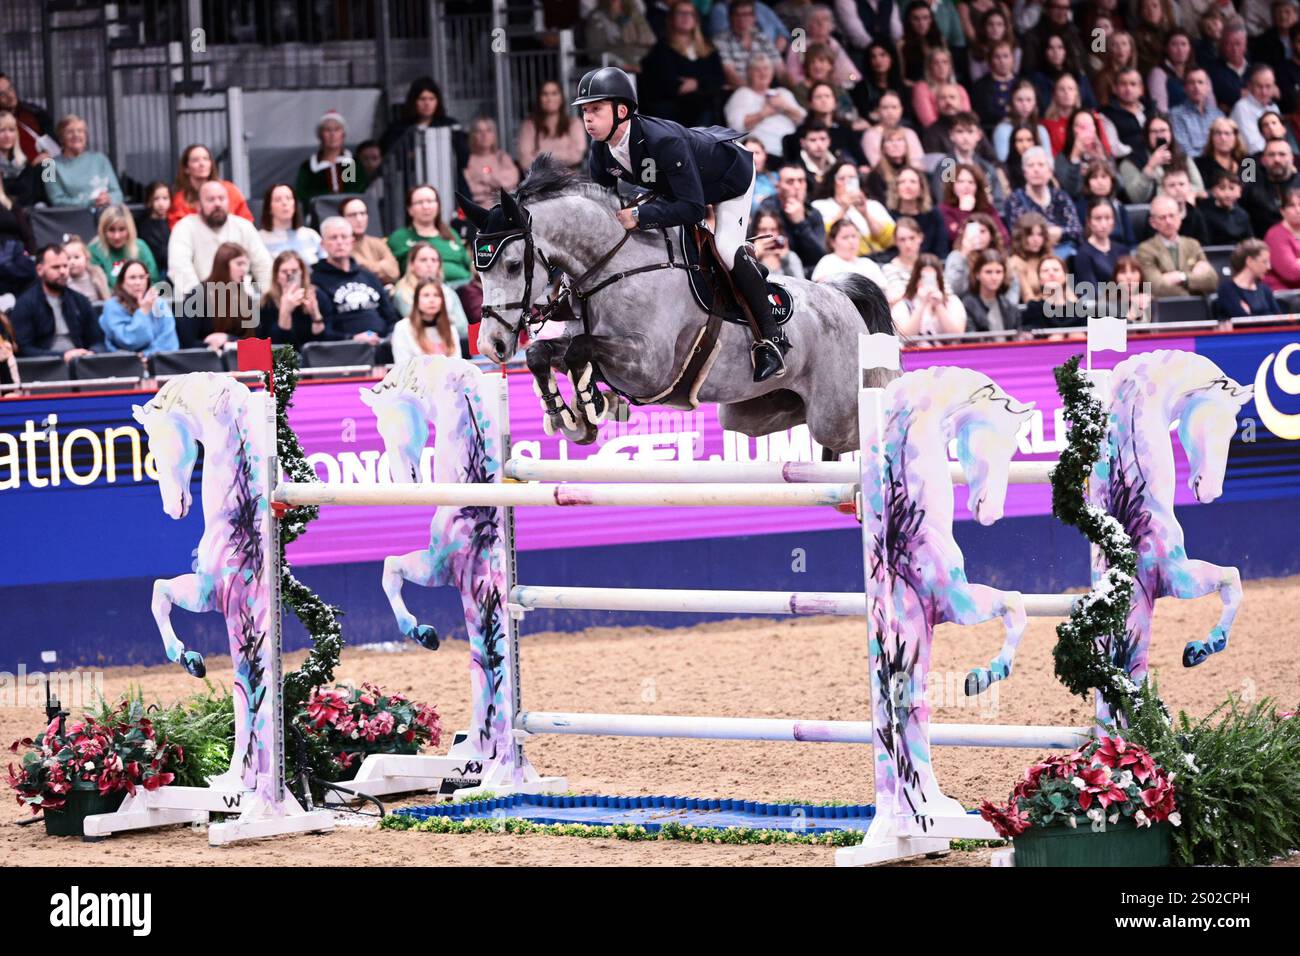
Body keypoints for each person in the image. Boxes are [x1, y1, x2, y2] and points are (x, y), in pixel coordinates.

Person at [573, 65, 790, 380]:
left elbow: (693, 210)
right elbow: (607, 209)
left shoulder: (663, 141)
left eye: (596, 109)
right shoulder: (601, 152)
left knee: (726, 248)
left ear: (621, 111)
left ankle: (772, 339)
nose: (588, 119)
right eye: (584, 112)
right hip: (676, 187)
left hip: (727, 179)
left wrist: (640, 216)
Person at [168, 180, 273, 300]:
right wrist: (202, 299)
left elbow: (264, 265)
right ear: (198, 205)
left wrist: (266, 298)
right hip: (202, 303)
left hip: (244, 299)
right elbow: (179, 267)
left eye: (221, 198)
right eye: (210, 199)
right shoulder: (184, 227)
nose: (217, 204)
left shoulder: (244, 226)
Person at [639, 1, 728, 126]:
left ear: (696, 19)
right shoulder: (661, 50)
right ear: (671, 18)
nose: (686, 17)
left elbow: (719, 79)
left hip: (705, 106)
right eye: (681, 13)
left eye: (690, 14)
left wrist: (696, 83)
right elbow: (664, 83)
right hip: (673, 111)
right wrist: (698, 83)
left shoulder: (709, 50)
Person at [8, 244, 103, 359]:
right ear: (40, 270)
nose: (63, 271)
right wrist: (62, 356)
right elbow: (23, 349)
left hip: (81, 363)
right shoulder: (25, 304)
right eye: (56, 267)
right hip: (46, 369)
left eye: (65, 266)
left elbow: (98, 340)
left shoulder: (80, 300)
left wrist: (92, 353)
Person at [313, 216, 399, 344]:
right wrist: (351, 339)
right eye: (333, 237)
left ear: (352, 242)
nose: (340, 242)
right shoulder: (316, 280)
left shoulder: (369, 276)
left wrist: (391, 336)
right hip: (345, 349)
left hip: (383, 343)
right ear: (323, 244)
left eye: (344, 237)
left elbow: (391, 317)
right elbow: (322, 331)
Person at [176, 242, 257, 350]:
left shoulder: (244, 297)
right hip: (203, 361)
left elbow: (251, 339)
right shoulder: (198, 295)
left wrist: (228, 338)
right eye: (239, 264)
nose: (244, 269)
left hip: (237, 360)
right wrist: (211, 346)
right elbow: (186, 342)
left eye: (245, 264)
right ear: (223, 265)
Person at [725, 54, 807, 159]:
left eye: (766, 68)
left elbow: (804, 119)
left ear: (772, 72)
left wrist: (785, 106)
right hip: (760, 153)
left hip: (791, 150)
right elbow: (735, 127)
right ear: (749, 73)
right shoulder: (742, 94)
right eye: (757, 70)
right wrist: (764, 113)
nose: (763, 73)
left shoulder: (782, 93)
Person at [387, 184, 472, 283]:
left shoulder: (450, 233)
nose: (426, 206)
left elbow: (469, 265)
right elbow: (390, 272)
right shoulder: (399, 238)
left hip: (466, 287)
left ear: (438, 205)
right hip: (425, 292)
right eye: (419, 202)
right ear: (410, 209)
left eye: (430, 201)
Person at [1135, 196, 1219, 296]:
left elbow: (1212, 281)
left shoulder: (1193, 245)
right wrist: (1193, 291)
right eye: (1162, 217)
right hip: (1165, 308)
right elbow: (1155, 287)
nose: (1168, 221)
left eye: (1172, 216)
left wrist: (1182, 277)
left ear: (1179, 217)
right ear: (1153, 223)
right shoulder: (1145, 249)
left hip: (1198, 308)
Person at [1006, 146, 1082, 257]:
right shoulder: (1015, 199)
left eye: (1041, 165)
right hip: (1030, 257)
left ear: (1050, 172)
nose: (1036, 170)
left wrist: (1060, 232)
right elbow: (1018, 234)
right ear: (1025, 172)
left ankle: (1069, 275)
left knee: (1071, 269)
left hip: (1064, 256)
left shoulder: (1061, 196)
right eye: (1030, 165)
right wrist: (1048, 234)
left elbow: (1077, 231)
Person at [380, 77, 468, 169]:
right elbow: (390, 157)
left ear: (438, 101)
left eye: (432, 99)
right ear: (413, 101)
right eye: (422, 99)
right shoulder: (398, 128)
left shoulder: (449, 125)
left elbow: (463, 157)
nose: (427, 104)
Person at [758, 163, 827, 277]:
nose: (797, 186)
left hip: (809, 274)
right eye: (790, 182)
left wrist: (800, 223)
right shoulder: (767, 210)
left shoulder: (813, 213)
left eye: (801, 181)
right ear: (778, 186)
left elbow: (820, 257)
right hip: (777, 272)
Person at [257, 250, 335, 350]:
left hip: (314, 358)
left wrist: (315, 316)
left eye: (294, 271)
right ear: (276, 276)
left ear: (302, 274)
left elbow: (326, 341)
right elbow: (274, 347)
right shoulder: (267, 302)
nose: (289, 276)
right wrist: (285, 313)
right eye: (284, 272)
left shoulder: (317, 296)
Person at [391, 241, 469, 339]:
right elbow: (421, 326)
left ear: (439, 265)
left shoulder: (448, 292)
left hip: (454, 344)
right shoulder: (403, 293)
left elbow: (463, 329)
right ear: (411, 265)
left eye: (434, 260)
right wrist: (449, 322)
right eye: (423, 260)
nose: (429, 264)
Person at [811, 163, 895, 255]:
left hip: (879, 258)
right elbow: (823, 238)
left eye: (852, 178)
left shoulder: (873, 205)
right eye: (841, 179)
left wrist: (865, 214)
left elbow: (892, 239)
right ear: (833, 182)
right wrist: (843, 210)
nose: (847, 182)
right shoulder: (820, 206)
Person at [98, 259, 178, 355]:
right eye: (132, 278)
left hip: (158, 362)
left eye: (142, 277)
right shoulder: (112, 306)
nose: (138, 282)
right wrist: (143, 311)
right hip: (124, 363)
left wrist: (147, 355)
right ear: (122, 282)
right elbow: (128, 341)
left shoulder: (159, 303)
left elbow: (169, 341)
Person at [44, 115, 123, 210]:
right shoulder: (48, 165)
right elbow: (56, 201)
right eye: (70, 132)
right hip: (73, 220)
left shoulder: (101, 159)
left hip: (106, 217)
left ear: (85, 136)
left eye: (80, 131)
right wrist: (91, 202)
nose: (76, 135)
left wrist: (109, 199)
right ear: (61, 138)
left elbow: (118, 194)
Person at [1122, 115, 1205, 205]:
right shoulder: (1131, 162)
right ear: (1147, 135)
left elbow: (1199, 187)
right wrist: (1150, 167)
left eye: (1163, 130)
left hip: (1184, 208)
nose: (1159, 135)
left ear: (1171, 133)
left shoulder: (1182, 157)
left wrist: (1181, 192)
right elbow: (1137, 199)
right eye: (1154, 131)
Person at [167, 144, 255, 229]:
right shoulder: (180, 200)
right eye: (195, 160)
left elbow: (247, 223)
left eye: (206, 159)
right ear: (186, 168)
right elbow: (178, 231)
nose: (202, 164)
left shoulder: (229, 190)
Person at [932, 113, 1010, 207]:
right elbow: (943, 200)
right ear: (951, 135)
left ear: (979, 135)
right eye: (960, 131)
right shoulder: (947, 165)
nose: (965, 137)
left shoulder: (986, 167)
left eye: (970, 131)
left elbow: (998, 202)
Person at [295, 109, 366, 208]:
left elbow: (354, 191)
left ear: (343, 134)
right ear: (320, 135)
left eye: (337, 129)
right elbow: (304, 195)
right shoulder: (310, 167)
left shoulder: (349, 163)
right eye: (327, 130)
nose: (332, 134)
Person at [714, 0, 786, 91]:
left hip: (766, 91)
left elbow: (781, 71)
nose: (742, 20)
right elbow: (730, 74)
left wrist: (796, 87)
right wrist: (753, 93)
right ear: (730, 18)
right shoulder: (721, 41)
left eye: (746, 15)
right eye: (737, 15)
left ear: (754, 18)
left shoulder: (763, 39)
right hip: (738, 93)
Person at [516, 80, 589, 171]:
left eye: (554, 93)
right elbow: (525, 161)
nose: (549, 98)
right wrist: (563, 155)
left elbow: (576, 156)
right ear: (539, 98)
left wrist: (539, 155)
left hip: (569, 180)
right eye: (545, 94)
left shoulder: (574, 124)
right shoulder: (528, 126)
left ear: (561, 98)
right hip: (539, 181)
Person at [891, 252, 968, 337]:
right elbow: (905, 337)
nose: (928, 283)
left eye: (931, 278)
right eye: (924, 278)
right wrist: (922, 305)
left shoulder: (953, 302)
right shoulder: (902, 306)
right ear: (916, 280)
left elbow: (957, 336)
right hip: (917, 350)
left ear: (939, 280)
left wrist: (939, 306)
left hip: (946, 350)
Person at [784, 5, 859, 88]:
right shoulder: (799, 42)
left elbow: (853, 75)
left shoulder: (833, 43)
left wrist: (847, 78)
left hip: (833, 87)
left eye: (825, 19)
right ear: (807, 24)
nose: (821, 24)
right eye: (815, 20)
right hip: (806, 89)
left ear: (831, 25)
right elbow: (791, 76)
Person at [938, 161, 1009, 246]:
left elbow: (1004, 237)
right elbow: (954, 238)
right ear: (952, 185)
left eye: (971, 182)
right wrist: (964, 212)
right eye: (960, 181)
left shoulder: (987, 208)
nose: (966, 186)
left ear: (977, 187)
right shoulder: (944, 210)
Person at [392, 279, 462, 361]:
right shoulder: (402, 327)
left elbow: (457, 362)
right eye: (426, 295)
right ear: (416, 300)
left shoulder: (450, 328)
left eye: (436, 295)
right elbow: (402, 364)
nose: (432, 300)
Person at [943, 212, 1010, 299]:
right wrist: (963, 254)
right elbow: (954, 290)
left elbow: (1010, 284)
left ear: (991, 235)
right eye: (974, 232)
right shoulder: (956, 257)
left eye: (982, 231)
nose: (978, 236)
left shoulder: (1001, 256)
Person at [1242, 136, 1300, 235]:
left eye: (1282, 154)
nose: (1277, 159)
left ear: (1292, 158)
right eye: (1271, 155)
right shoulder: (1251, 188)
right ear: (1263, 160)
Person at [887, 165, 949, 256]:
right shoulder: (888, 216)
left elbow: (942, 250)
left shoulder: (934, 215)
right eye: (902, 182)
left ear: (921, 189)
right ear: (896, 189)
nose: (907, 186)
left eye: (913, 182)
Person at [90, 204, 160, 285]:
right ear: (103, 231)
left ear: (129, 229)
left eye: (122, 229)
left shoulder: (141, 247)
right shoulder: (94, 251)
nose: (117, 236)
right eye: (111, 230)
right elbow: (99, 287)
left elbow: (153, 280)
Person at [1053, 108, 1116, 197]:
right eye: (1081, 127)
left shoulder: (1104, 154)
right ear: (1072, 130)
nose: (1085, 131)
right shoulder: (1062, 158)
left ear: (1095, 129)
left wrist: (1102, 159)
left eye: (1089, 126)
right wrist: (1075, 157)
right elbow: (1072, 190)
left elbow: (1119, 186)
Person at [463, 116, 521, 210]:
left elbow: (511, 181)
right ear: (472, 135)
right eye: (479, 131)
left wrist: (485, 178)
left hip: (504, 207)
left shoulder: (502, 157)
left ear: (494, 135)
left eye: (489, 130)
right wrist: (496, 185)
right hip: (478, 208)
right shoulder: (468, 160)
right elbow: (471, 189)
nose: (484, 135)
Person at [810, 218, 890, 285]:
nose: (851, 241)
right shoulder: (827, 261)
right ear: (832, 242)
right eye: (845, 237)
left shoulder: (867, 263)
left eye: (854, 236)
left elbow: (884, 290)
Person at [961, 248, 1022, 337]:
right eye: (988, 272)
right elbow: (972, 341)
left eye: (998, 272)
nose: (994, 277)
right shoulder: (968, 305)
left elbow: (1018, 337)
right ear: (977, 274)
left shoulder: (1010, 307)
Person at [1215, 237, 1282, 317]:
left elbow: (1280, 322)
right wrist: (1266, 316)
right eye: (1264, 262)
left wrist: (1252, 314)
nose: (1269, 267)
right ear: (1249, 261)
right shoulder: (1227, 290)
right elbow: (1243, 323)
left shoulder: (1265, 290)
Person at [584, 0, 657, 72]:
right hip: (613, 70)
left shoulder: (633, 12)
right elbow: (595, 52)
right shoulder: (596, 17)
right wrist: (620, 64)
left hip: (641, 64)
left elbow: (650, 41)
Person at [258, 183, 322, 265]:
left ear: (295, 204)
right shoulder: (260, 239)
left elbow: (326, 263)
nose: (284, 203)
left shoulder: (310, 235)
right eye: (278, 200)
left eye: (289, 198)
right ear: (269, 208)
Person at [341, 195, 399, 285]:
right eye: (352, 215)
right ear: (342, 218)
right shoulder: (340, 246)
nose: (359, 219)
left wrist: (363, 263)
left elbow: (394, 273)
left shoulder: (377, 243)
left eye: (363, 213)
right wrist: (382, 265)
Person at [1169, 68, 1225, 159]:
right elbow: (1184, 151)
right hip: (1194, 166)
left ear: (1208, 87)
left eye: (1200, 82)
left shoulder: (1218, 115)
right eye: (1191, 83)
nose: (1196, 87)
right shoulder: (1176, 115)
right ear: (1185, 88)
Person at [0, 73, 54, 167]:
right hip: (21, 173)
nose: (10, 96)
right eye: (2, 94)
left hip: (49, 164)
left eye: (10, 89)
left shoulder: (34, 112)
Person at [860, 91, 924, 168]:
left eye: (894, 107)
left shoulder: (910, 133)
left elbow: (919, 163)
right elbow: (876, 165)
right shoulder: (870, 135)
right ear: (877, 110)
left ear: (901, 110)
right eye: (885, 107)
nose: (890, 112)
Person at [992, 82, 1053, 161]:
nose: (1025, 104)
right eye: (1019, 100)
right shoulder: (1003, 129)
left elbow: (1049, 161)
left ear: (1035, 103)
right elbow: (1002, 161)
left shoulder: (1041, 130)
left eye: (1029, 100)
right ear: (1012, 102)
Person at [1074, 197, 1128, 286]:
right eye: (1098, 218)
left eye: (1107, 218)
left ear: (1114, 221)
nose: (1103, 224)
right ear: (1089, 221)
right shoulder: (1083, 254)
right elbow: (1091, 290)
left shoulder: (1123, 250)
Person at [913, 47, 971, 127]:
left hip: (960, 131)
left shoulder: (960, 89)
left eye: (945, 62)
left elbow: (966, 117)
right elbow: (929, 121)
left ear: (950, 66)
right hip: (935, 133)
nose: (941, 66)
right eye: (936, 63)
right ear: (929, 67)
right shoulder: (921, 88)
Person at [1230, 65, 1282, 155]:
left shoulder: (1274, 108)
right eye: (1259, 86)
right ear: (1249, 86)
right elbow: (1253, 146)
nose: (1264, 92)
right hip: (1249, 162)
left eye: (1268, 86)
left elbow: (1280, 138)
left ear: (1274, 87)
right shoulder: (1242, 108)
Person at [972, 39, 1022, 130]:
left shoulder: (1022, 83)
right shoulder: (980, 86)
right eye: (997, 57)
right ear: (990, 60)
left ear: (1013, 59)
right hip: (990, 130)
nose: (1002, 61)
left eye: (1006, 56)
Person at [1198, 167, 1255, 246]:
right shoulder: (1204, 214)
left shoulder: (1243, 215)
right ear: (1213, 191)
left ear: (1240, 191)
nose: (1227, 194)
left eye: (1232, 188)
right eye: (1222, 188)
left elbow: (1249, 242)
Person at [1019, 255, 1078, 331]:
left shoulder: (1079, 309)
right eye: (1045, 270)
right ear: (1040, 280)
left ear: (1066, 276)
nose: (1051, 273)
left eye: (1056, 270)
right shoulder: (1033, 308)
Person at [1145, 25, 1195, 114]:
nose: (1180, 49)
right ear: (1166, 49)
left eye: (1183, 44)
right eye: (1174, 44)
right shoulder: (1158, 73)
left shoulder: (1196, 72)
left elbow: (1210, 104)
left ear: (1190, 48)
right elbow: (1160, 110)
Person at [0, 109, 41, 207]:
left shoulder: (24, 162)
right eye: (1, 130)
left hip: (25, 214)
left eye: (11, 130)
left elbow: (29, 195)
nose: (7, 135)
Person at [1208, 20, 1252, 111]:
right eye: (1229, 44)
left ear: (1245, 45)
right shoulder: (1213, 69)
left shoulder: (1254, 67)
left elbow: (1272, 94)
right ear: (1222, 45)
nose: (1234, 49)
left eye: (1238, 44)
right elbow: (1228, 95)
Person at [1008, 211, 1050, 302]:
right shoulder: (1016, 262)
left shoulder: (1050, 259)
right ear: (1020, 237)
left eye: (1040, 235)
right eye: (1030, 234)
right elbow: (1029, 301)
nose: (1036, 240)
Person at [881, 215, 924, 303]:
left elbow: (947, 294)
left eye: (912, 238)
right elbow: (895, 300)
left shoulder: (930, 264)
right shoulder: (889, 268)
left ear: (920, 238)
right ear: (896, 241)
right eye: (902, 240)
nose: (908, 244)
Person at [1263, 187, 1300, 290]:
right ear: (1282, 211)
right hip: (1284, 296)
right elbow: (1292, 273)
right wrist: (1295, 264)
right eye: (1291, 206)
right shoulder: (1275, 235)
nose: (1298, 210)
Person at [1195, 117, 1248, 187]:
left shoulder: (1248, 161)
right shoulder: (1200, 163)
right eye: (1218, 133)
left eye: (1227, 133)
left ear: (1236, 138)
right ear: (1212, 138)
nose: (1223, 138)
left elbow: (1253, 190)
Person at [751, 209, 805, 278]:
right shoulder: (749, 258)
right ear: (755, 231)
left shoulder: (790, 256)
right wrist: (754, 256)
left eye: (773, 229)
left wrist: (786, 260)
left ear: (779, 231)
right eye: (763, 230)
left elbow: (801, 285)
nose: (769, 234)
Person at [136, 182, 171, 277]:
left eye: (165, 198)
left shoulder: (173, 221)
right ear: (149, 201)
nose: (161, 203)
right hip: (153, 269)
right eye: (156, 199)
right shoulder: (143, 225)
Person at [63, 236, 109, 304]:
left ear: (86, 258)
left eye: (76, 257)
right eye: (68, 258)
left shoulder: (95, 274)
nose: (72, 262)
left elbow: (105, 294)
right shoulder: (65, 280)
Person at [743, 138, 779, 210]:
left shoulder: (776, 178)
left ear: (765, 155)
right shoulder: (735, 181)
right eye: (748, 153)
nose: (753, 157)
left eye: (757, 153)